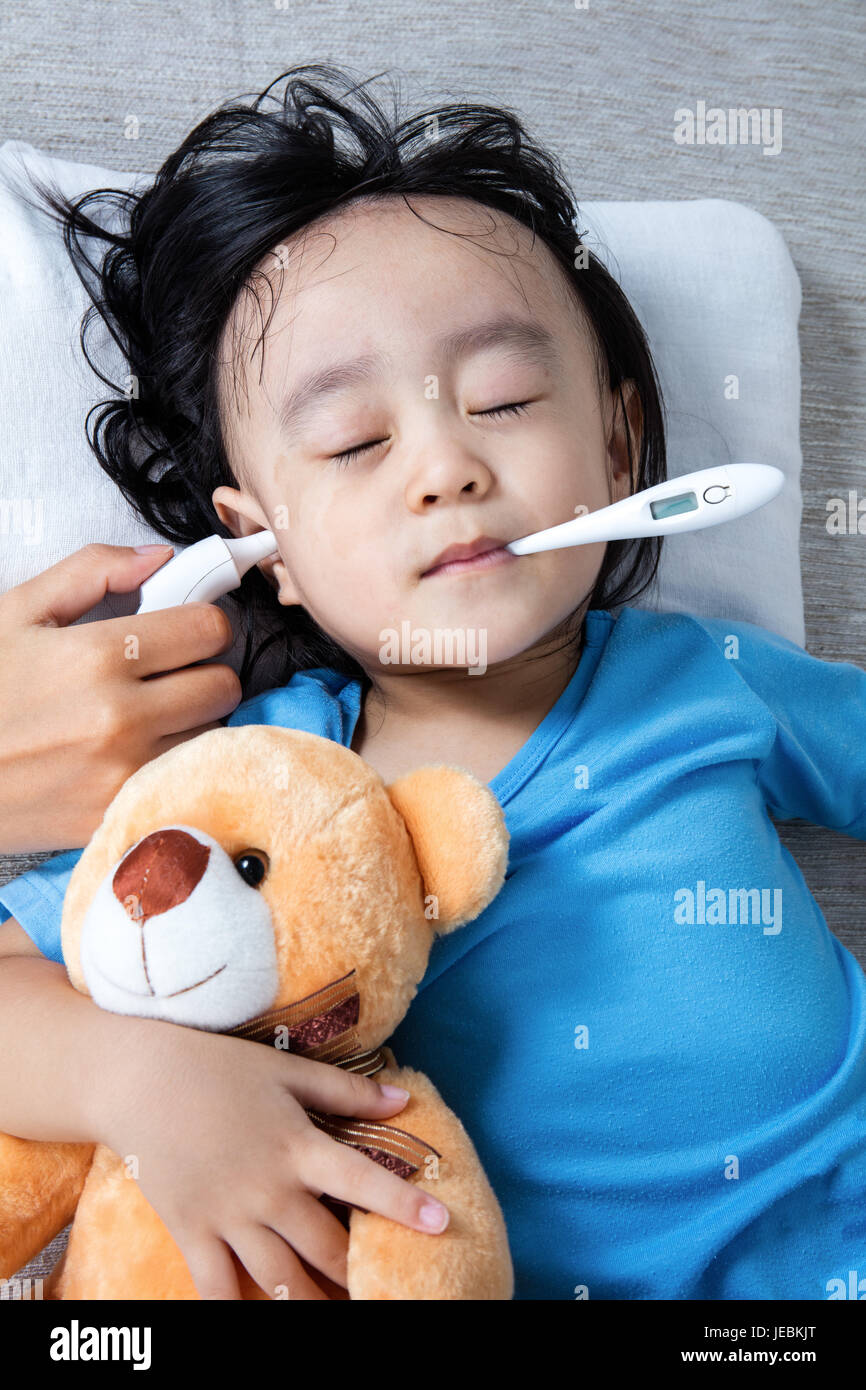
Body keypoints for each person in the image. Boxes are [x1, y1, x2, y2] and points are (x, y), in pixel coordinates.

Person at [1, 64, 864, 1301]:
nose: (445, 465)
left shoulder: (711, 680)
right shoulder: (266, 780)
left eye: (503, 399)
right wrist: (142, 1081)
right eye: (356, 442)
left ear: (618, 443)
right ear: (268, 547)